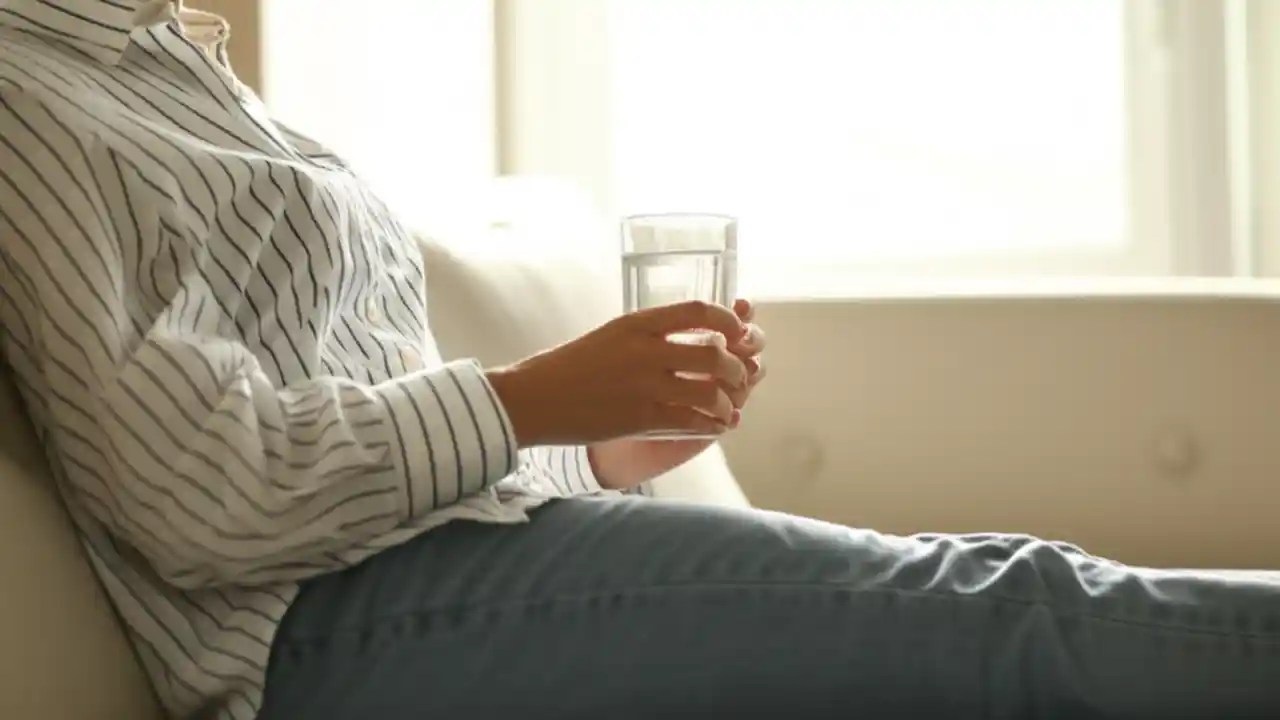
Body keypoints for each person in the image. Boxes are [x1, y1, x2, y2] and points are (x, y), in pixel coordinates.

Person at [0, 1, 1277, 718]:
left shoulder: (177, 66)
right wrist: (529, 396)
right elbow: (195, 493)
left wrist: (591, 446)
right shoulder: (27, 92)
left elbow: (348, 418)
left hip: (444, 579)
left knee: (1000, 616)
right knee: (1010, 611)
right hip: (336, 639)